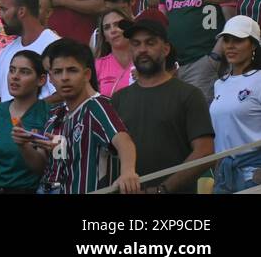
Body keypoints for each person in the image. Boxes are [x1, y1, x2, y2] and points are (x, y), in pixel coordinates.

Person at [19, 38, 140, 194]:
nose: (64, 78)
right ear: (50, 78)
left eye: (72, 70)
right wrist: (23, 145)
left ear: (87, 74)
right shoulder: (56, 116)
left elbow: (123, 140)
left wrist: (128, 172)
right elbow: (43, 168)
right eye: (57, 72)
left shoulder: (97, 106)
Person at [110, 14, 214, 194]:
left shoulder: (189, 94)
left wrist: (161, 190)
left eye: (150, 43)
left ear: (166, 49)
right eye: (136, 44)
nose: (142, 49)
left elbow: (205, 152)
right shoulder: (118, 99)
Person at [0, 51, 49, 194]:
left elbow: (42, 167)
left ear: (41, 80)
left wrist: (24, 146)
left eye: (24, 72)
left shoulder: (47, 114)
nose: (15, 77)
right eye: (12, 70)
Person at [209, 16, 261, 193]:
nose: (230, 46)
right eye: (226, 40)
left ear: (253, 45)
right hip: (224, 174)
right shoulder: (219, 84)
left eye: (238, 40)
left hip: (252, 174)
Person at [0, 0, 59, 104]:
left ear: (21, 11)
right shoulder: (5, 51)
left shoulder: (56, 47)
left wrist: (22, 111)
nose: (0, 16)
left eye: (4, 10)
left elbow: (61, 95)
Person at [94, 7, 135, 97]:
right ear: (104, 37)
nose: (113, 30)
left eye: (117, 24)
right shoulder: (97, 66)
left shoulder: (144, 59)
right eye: (107, 27)